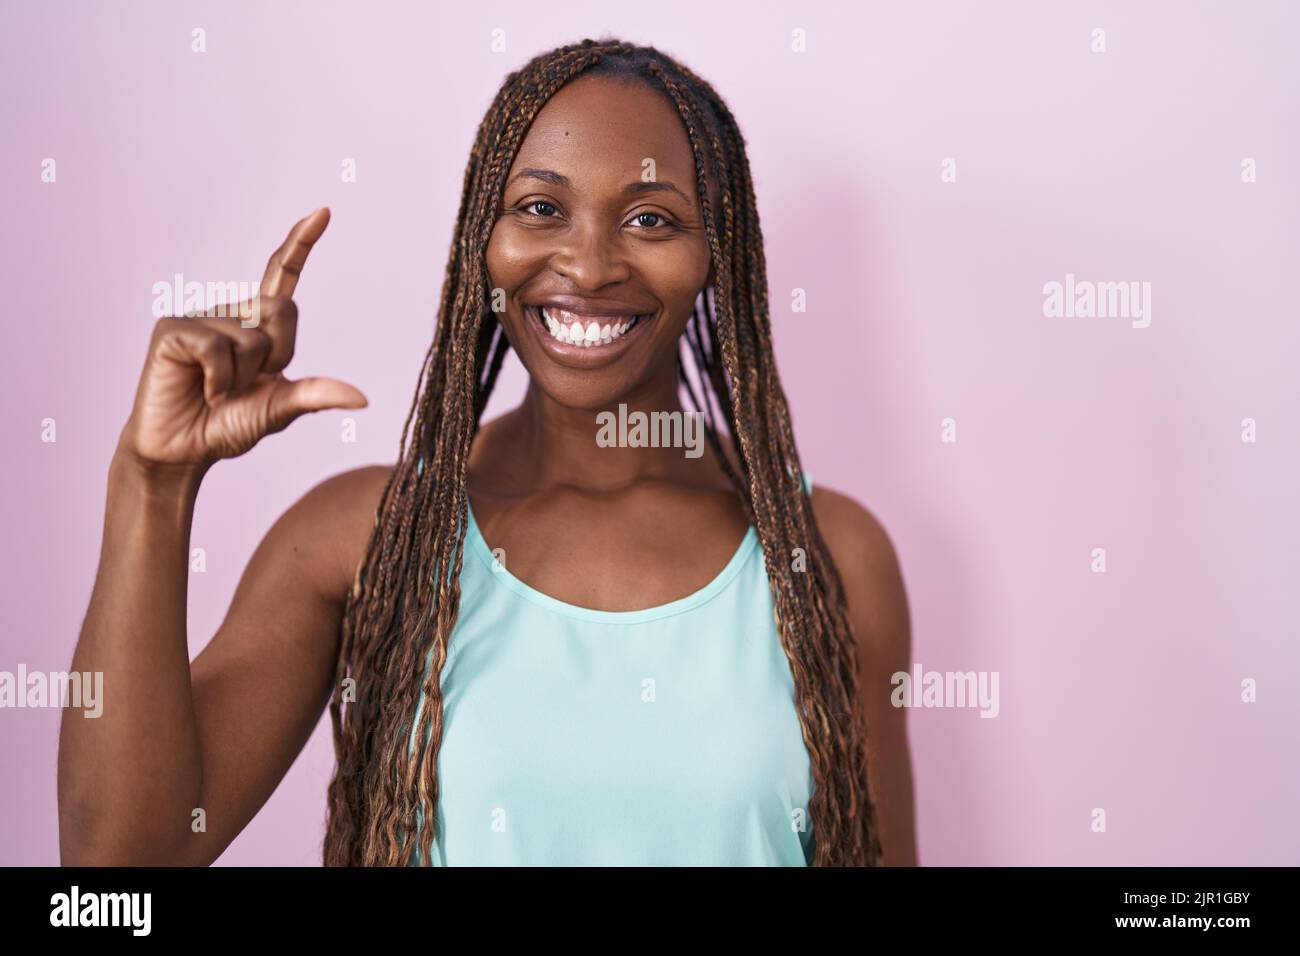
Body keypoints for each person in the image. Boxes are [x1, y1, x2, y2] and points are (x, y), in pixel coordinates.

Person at [59, 38, 917, 867]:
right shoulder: (360, 540)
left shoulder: (830, 557)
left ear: (714, 256)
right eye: (541, 208)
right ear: (484, 241)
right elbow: (121, 860)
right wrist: (154, 482)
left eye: (651, 219)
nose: (587, 264)